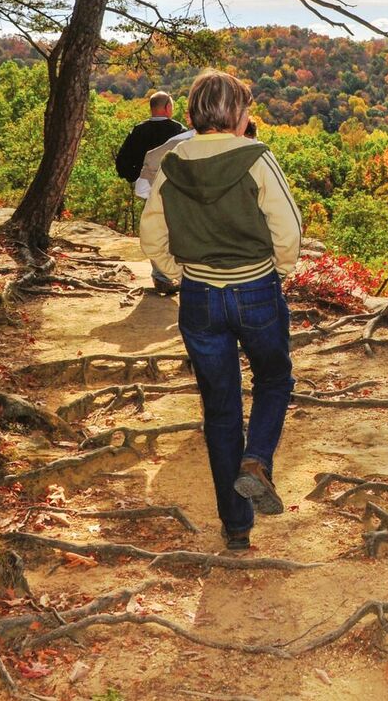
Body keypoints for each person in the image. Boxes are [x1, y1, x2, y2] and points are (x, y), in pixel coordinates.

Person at [140, 72, 300, 550]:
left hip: (200, 299)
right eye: (247, 110)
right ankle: (257, 461)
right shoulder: (257, 157)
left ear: (191, 114)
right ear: (236, 116)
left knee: (220, 408)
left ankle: (236, 527)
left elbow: (152, 233)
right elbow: (287, 226)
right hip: (255, 290)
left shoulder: (171, 163)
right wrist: (280, 271)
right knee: (274, 379)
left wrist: (177, 271)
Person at [117, 92, 188, 290]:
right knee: (175, 231)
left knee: (155, 230)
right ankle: (174, 275)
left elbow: (122, 161)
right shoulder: (179, 131)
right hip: (173, 188)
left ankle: (160, 276)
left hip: (147, 188)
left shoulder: (139, 131)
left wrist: (135, 176)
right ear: (167, 108)